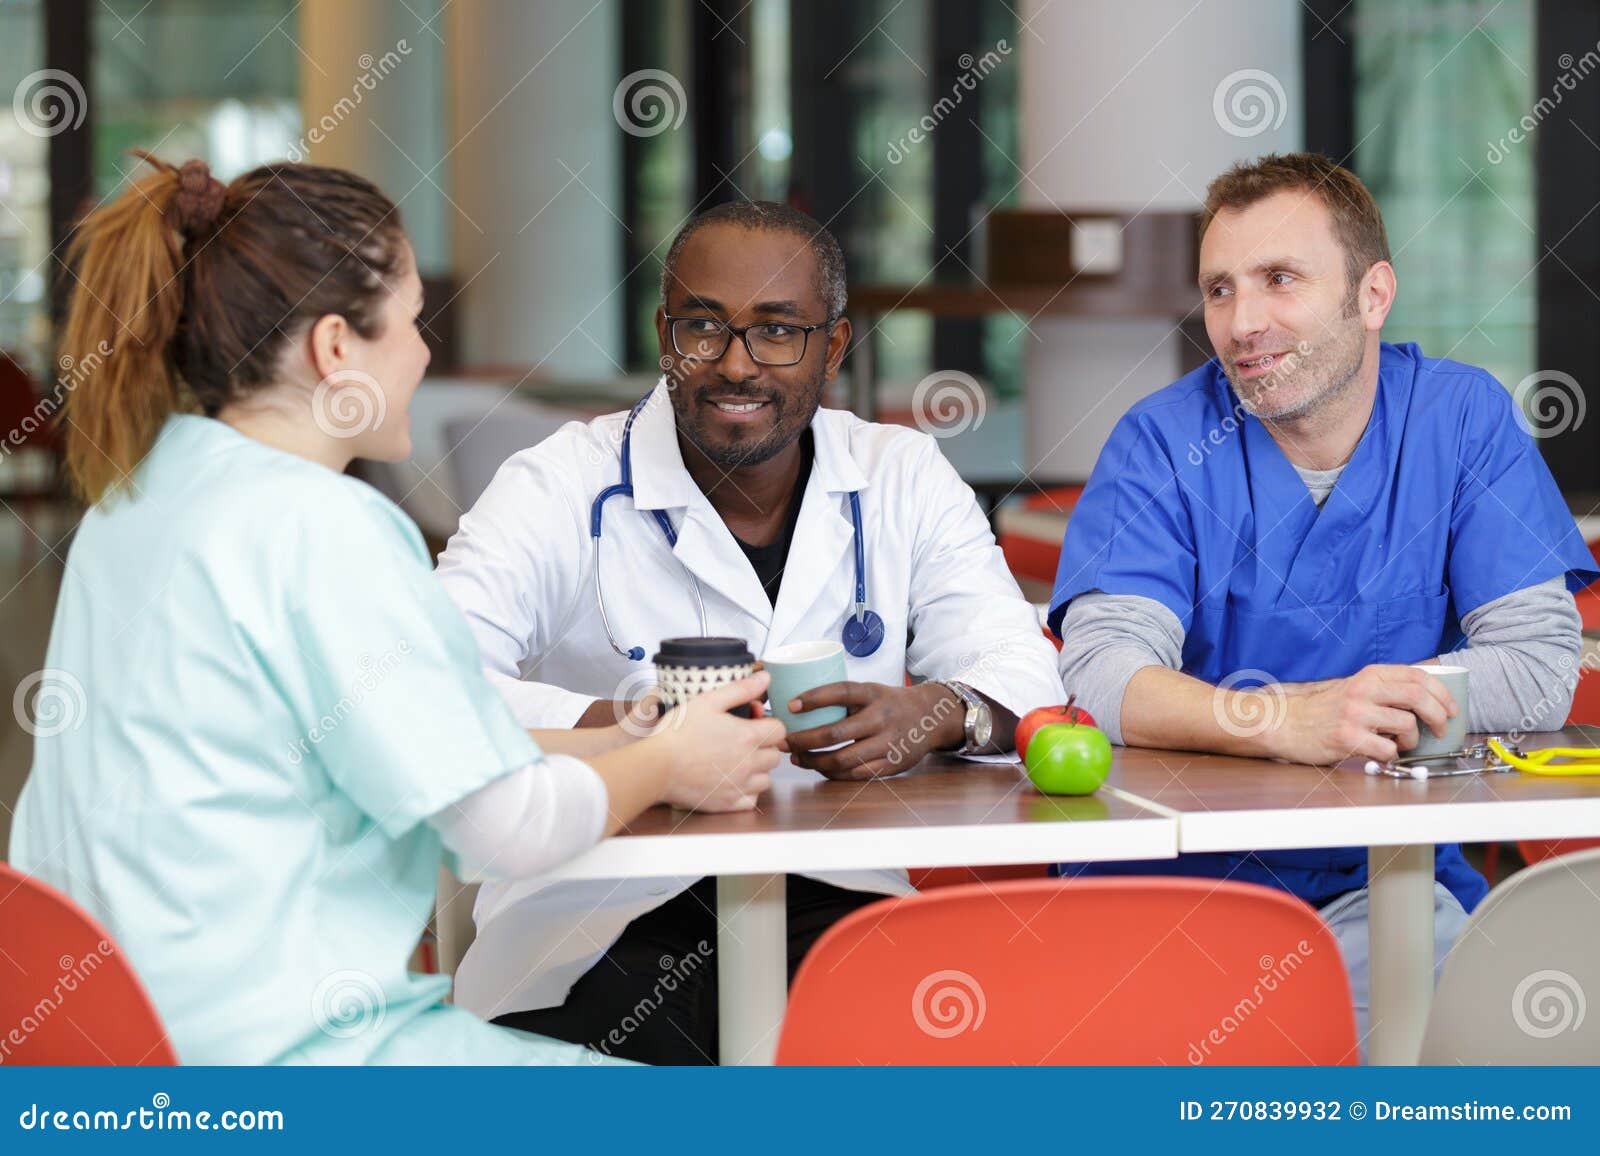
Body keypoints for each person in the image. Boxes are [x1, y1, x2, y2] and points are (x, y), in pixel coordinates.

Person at [8, 154, 786, 1065]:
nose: (423, 351)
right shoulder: (325, 525)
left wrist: (629, 739)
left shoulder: (135, 502)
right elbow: (506, 830)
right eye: (413, 321)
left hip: (103, 1056)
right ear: (337, 348)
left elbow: (395, 745)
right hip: (289, 1067)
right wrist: (665, 765)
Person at [434, 200, 1065, 1063]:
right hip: (595, 901)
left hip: (834, 892)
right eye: (703, 327)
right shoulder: (559, 484)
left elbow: (1021, 662)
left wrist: (936, 711)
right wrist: (641, 733)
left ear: (833, 347)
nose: (735, 365)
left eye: (777, 332)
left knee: (931, 1057)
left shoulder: (899, 476)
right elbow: (429, 682)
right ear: (664, 335)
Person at [1051, 152, 1596, 1049]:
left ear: (1373, 295)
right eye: (1219, 289)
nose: (1242, 322)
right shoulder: (1162, 443)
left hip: (1384, 874)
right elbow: (1106, 674)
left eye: (1280, 280)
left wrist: (1362, 709)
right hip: (1170, 878)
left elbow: (1539, 669)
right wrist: (1284, 718)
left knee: (1508, 1057)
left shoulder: (1460, 422)